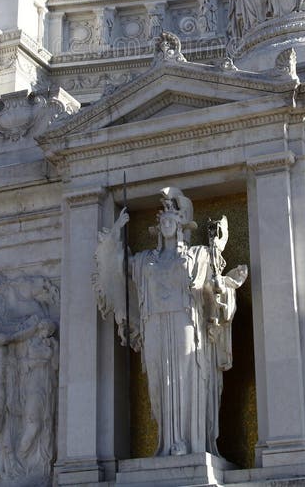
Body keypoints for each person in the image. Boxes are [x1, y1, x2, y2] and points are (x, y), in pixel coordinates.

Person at [94, 187, 246, 457]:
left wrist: (223, 286)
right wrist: (116, 232)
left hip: (186, 322)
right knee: (158, 384)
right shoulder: (144, 262)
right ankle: (166, 441)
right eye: (162, 220)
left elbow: (214, 288)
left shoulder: (197, 256)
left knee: (186, 378)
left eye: (171, 220)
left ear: (180, 226)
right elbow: (115, 269)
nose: (166, 223)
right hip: (153, 325)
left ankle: (188, 443)